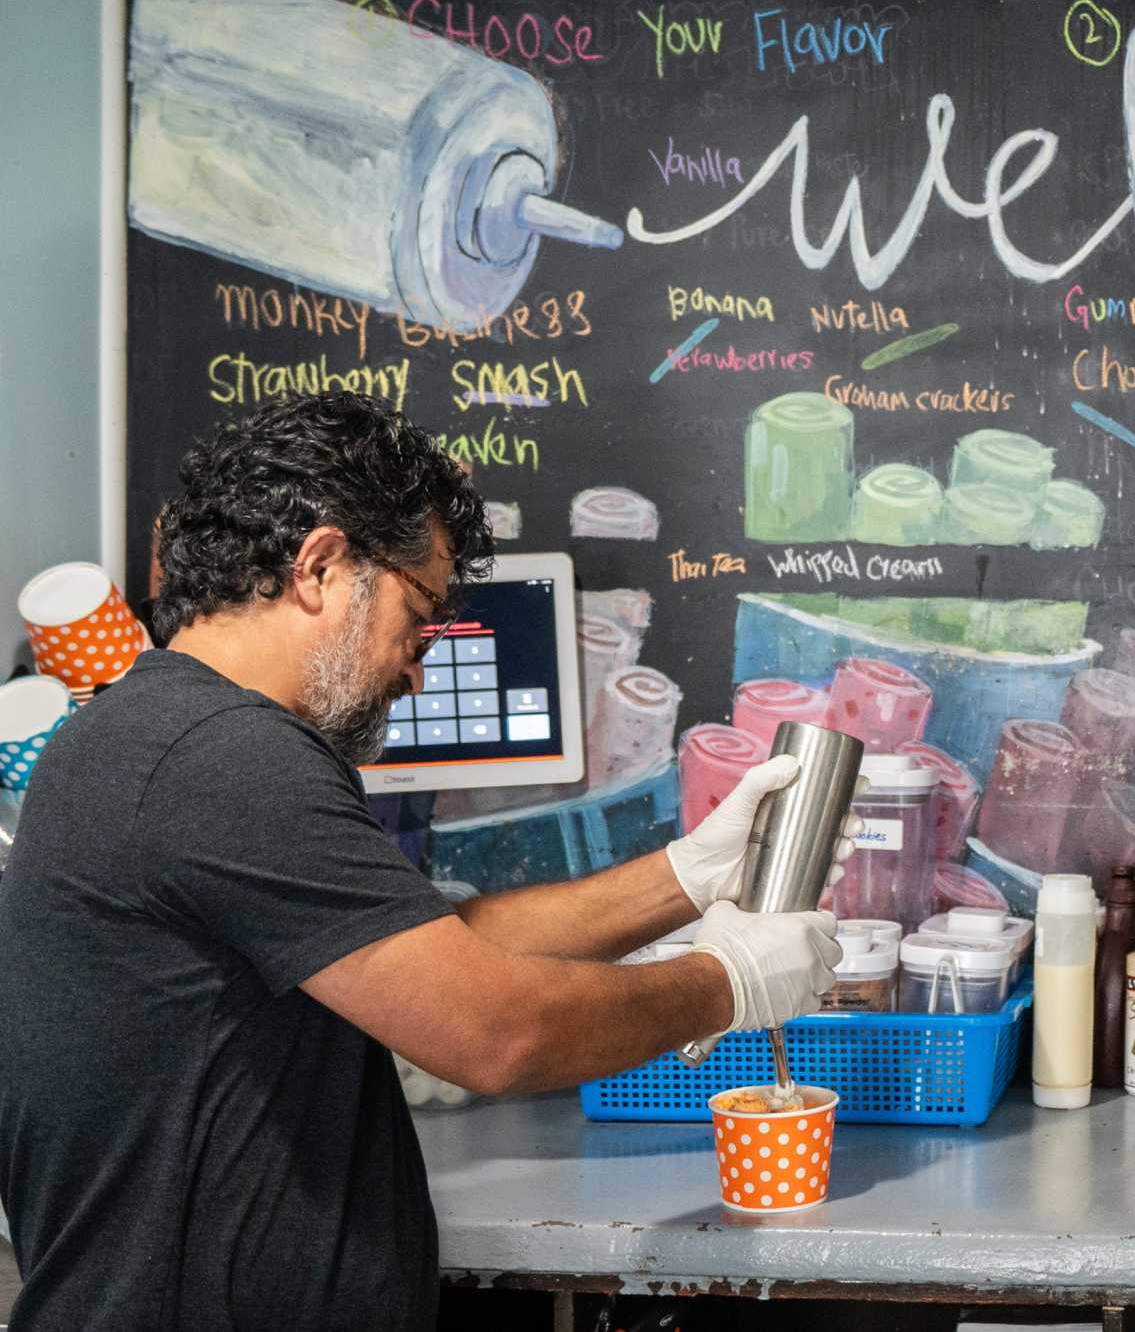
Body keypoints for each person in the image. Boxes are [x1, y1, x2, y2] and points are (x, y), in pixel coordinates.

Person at [0, 393, 847, 1331]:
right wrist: (725, 981)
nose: (417, 668)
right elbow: (495, 1028)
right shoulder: (223, 758)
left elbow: (436, 944)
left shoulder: (157, 730)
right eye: (419, 613)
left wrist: (686, 875)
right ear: (321, 567)